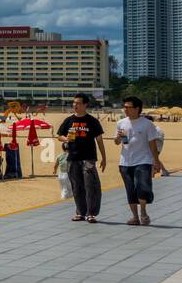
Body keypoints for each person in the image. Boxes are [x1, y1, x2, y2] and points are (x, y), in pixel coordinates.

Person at [57, 93, 106, 223]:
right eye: (74, 103)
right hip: (72, 157)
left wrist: (104, 157)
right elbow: (59, 136)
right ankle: (80, 212)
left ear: (85, 105)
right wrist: (65, 138)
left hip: (88, 157)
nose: (75, 105)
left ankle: (91, 213)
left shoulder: (92, 121)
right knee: (76, 186)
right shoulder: (69, 120)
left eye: (78, 103)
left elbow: (99, 139)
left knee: (91, 185)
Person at [115, 96, 161, 226]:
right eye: (125, 107)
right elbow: (116, 142)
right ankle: (135, 217)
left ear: (137, 109)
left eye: (128, 107)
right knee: (130, 190)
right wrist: (118, 138)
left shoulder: (147, 124)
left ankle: (143, 212)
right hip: (125, 162)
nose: (126, 109)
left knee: (142, 188)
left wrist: (156, 161)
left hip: (143, 161)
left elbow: (152, 143)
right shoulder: (121, 123)